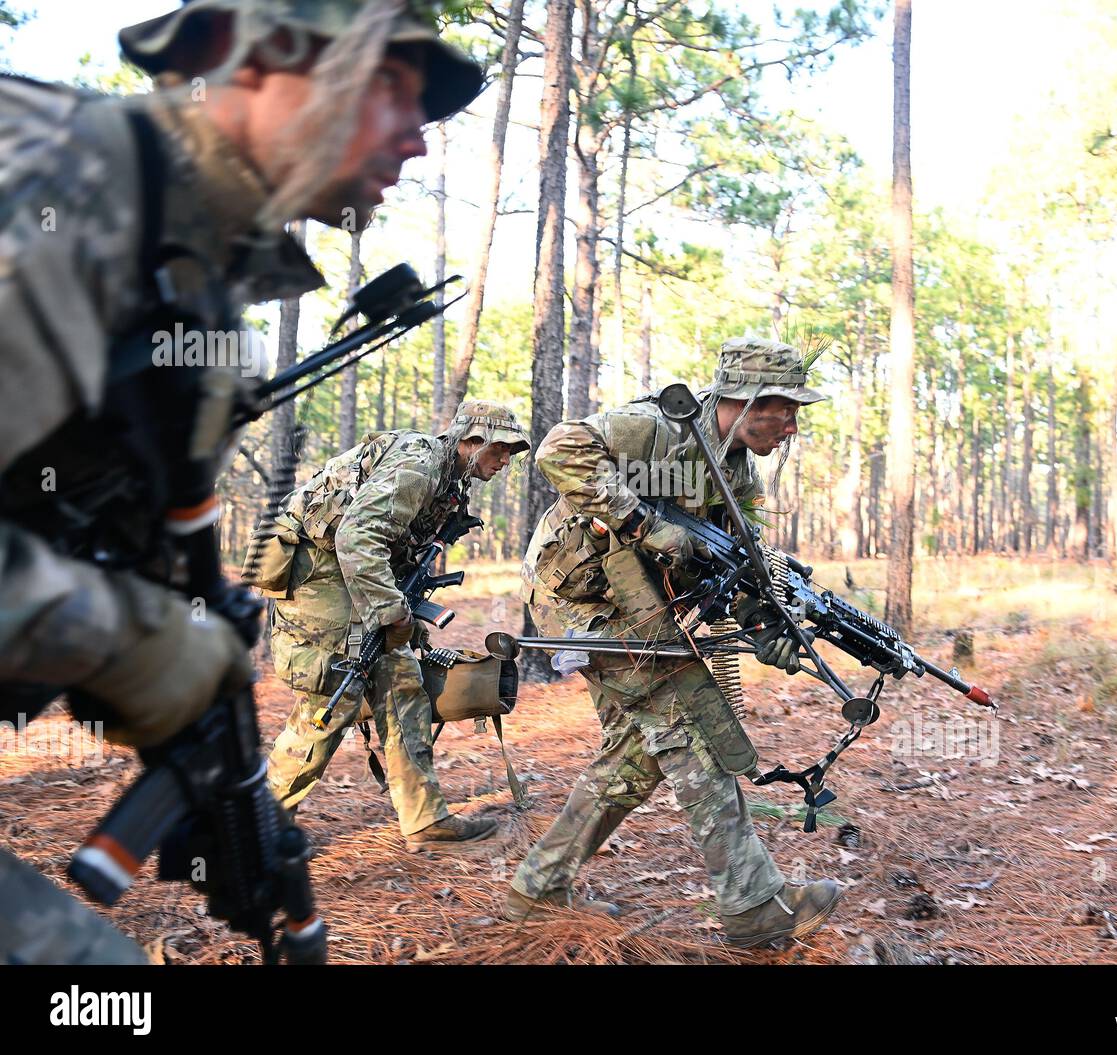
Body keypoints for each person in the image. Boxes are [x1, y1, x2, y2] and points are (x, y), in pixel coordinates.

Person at [0, 0, 482, 963]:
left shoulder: (193, 272)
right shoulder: (67, 181)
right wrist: (128, 643)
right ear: (243, 52)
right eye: (393, 83)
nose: (419, 143)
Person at [504, 337, 845, 949]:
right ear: (744, 401)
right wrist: (639, 521)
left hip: (646, 606)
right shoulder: (654, 426)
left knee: (635, 759)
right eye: (785, 410)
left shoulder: (737, 472)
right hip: (583, 600)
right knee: (689, 728)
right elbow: (558, 450)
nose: (792, 427)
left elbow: (732, 564)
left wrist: (766, 626)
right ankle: (753, 904)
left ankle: (538, 886)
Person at [258, 401, 530, 851]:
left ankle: (425, 820)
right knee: (337, 691)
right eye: (501, 450)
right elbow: (356, 538)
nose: (505, 462)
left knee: (402, 683)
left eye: (510, 454)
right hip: (321, 569)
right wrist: (392, 613)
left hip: (352, 570)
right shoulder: (420, 464)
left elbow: (393, 548)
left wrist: (401, 612)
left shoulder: (451, 481)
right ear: (472, 440)